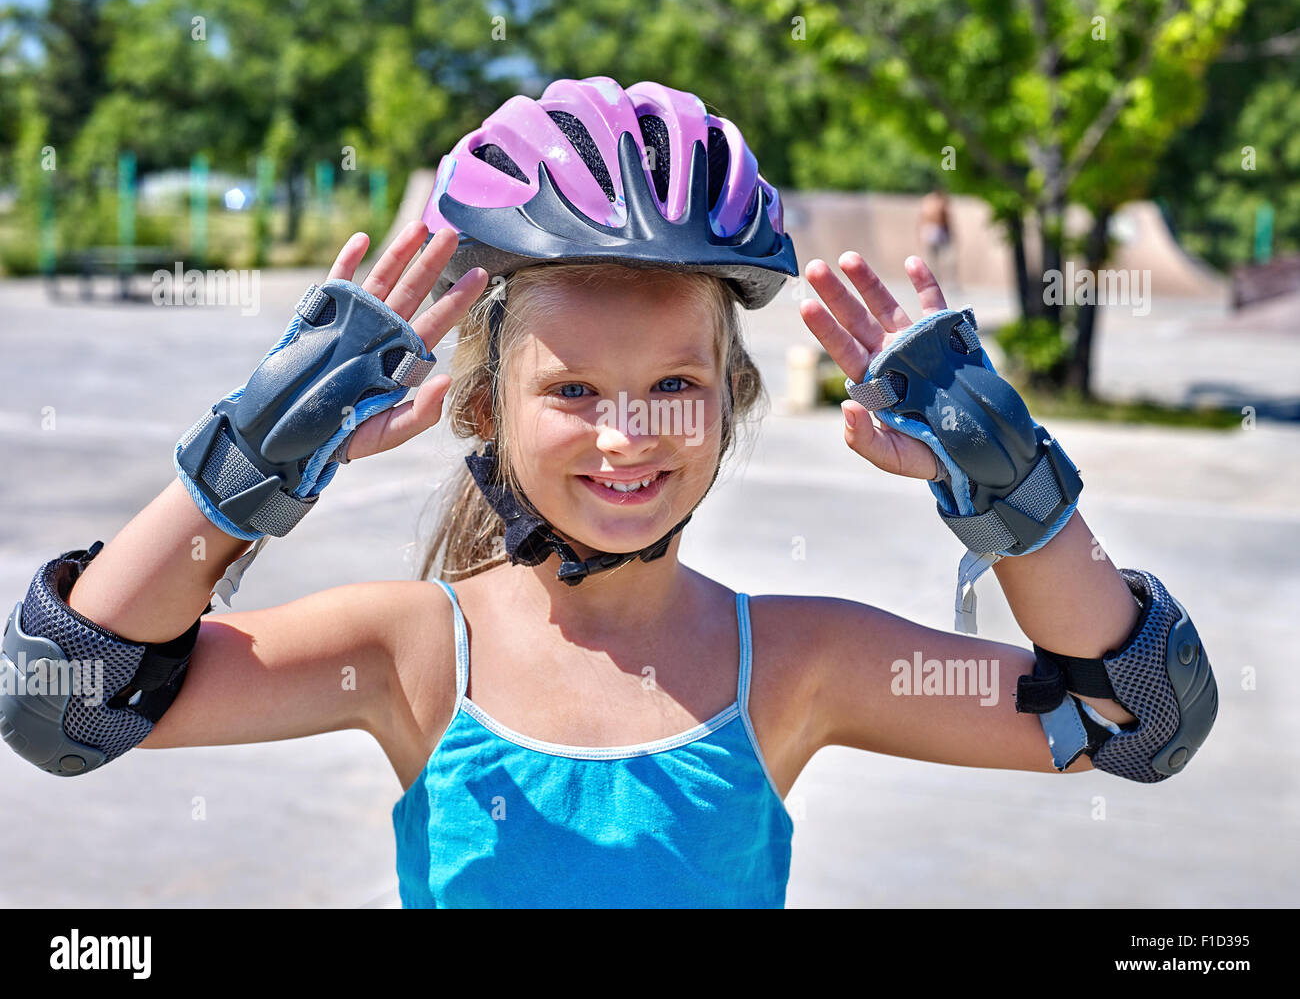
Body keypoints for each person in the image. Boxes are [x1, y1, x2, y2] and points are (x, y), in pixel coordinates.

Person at [3, 77, 1217, 910]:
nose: (628, 435)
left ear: (731, 399)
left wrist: (1018, 495)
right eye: (572, 389)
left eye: (675, 384)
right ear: (482, 411)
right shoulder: (419, 651)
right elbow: (60, 702)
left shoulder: (794, 662)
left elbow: (1144, 721)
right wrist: (252, 465)